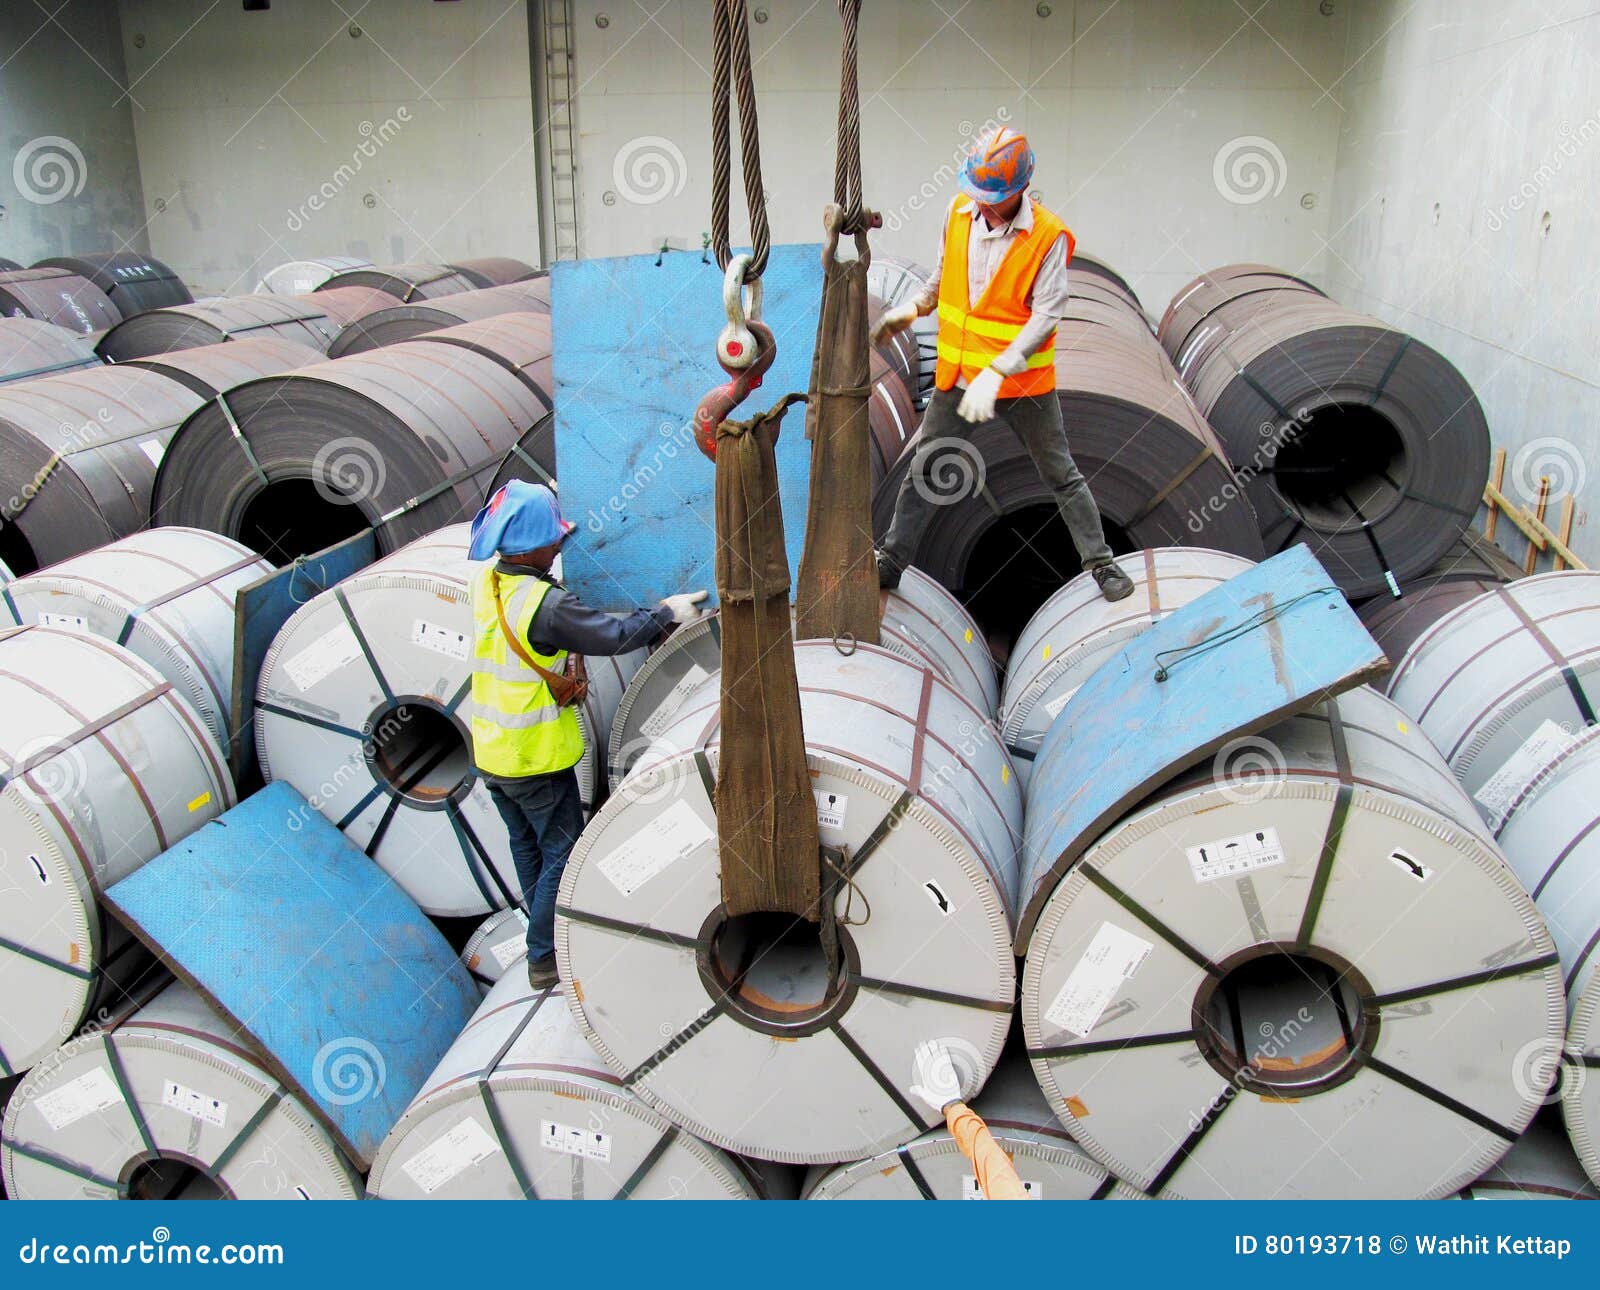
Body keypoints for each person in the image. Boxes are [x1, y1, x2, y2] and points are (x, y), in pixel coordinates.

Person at [872, 126, 1134, 602]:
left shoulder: (1047, 237)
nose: (983, 204)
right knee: (925, 467)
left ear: (1021, 190)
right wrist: (909, 310)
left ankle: (1102, 565)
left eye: (993, 197)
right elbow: (939, 280)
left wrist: (996, 374)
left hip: (1022, 386)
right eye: (978, 193)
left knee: (1061, 475)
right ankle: (891, 563)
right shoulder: (957, 214)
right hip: (957, 378)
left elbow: (1047, 317)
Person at [467, 481, 709, 988]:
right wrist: (668, 612)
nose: (559, 547)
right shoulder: (545, 608)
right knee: (562, 850)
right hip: (534, 758)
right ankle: (543, 956)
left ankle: (543, 934)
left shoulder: (490, 582)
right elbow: (614, 637)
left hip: (491, 753)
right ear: (528, 547)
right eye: (552, 540)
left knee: (528, 846)